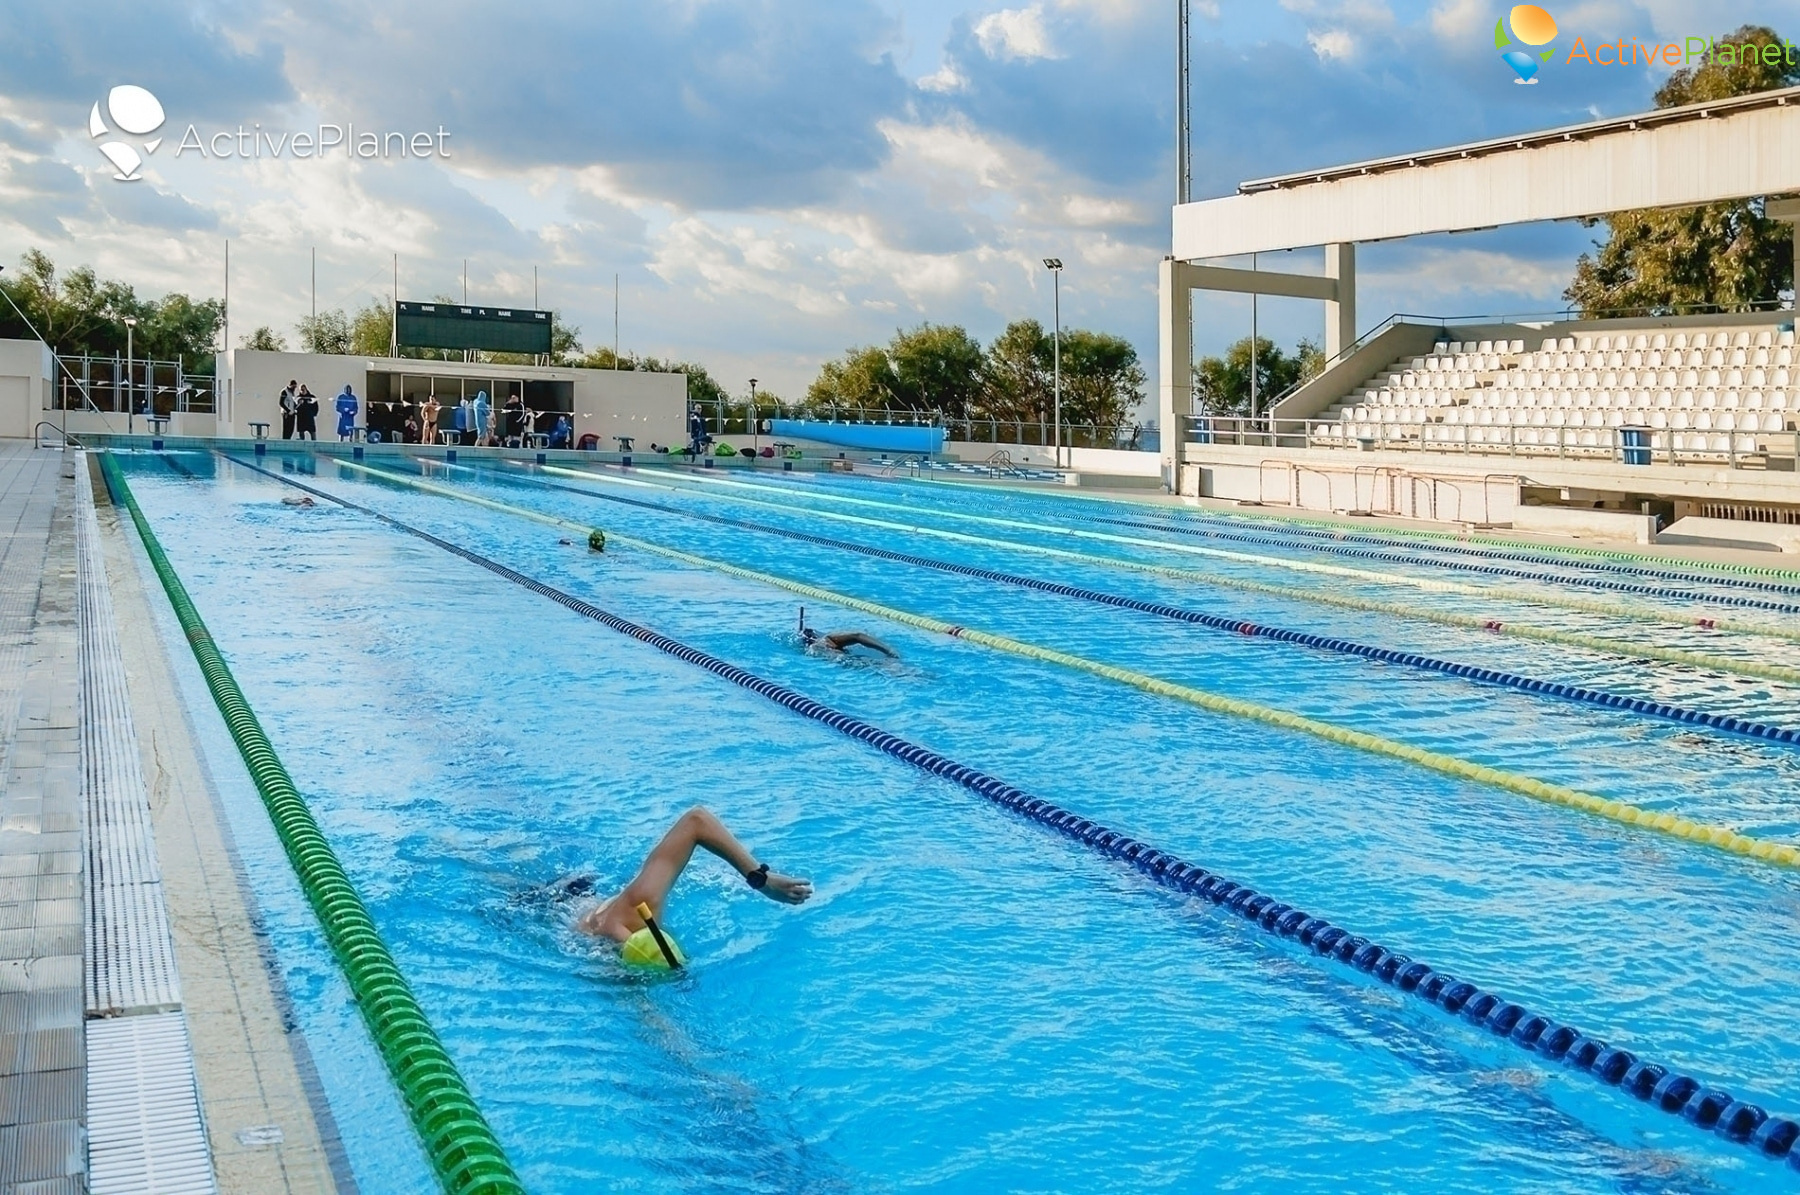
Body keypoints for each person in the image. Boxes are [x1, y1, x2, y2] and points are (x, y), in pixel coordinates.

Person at [576, 806, 811, 951]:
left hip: (574, 897)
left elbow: (696, 821)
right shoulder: (631, 920)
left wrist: (762, 880)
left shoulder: (641, 904)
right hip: (582, 915)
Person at [798, 608, 897, 658]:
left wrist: (888, 651)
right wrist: (888, 651)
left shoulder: (823, 643)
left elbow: (857, 636)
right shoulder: (826, 641)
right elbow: (858, 636)